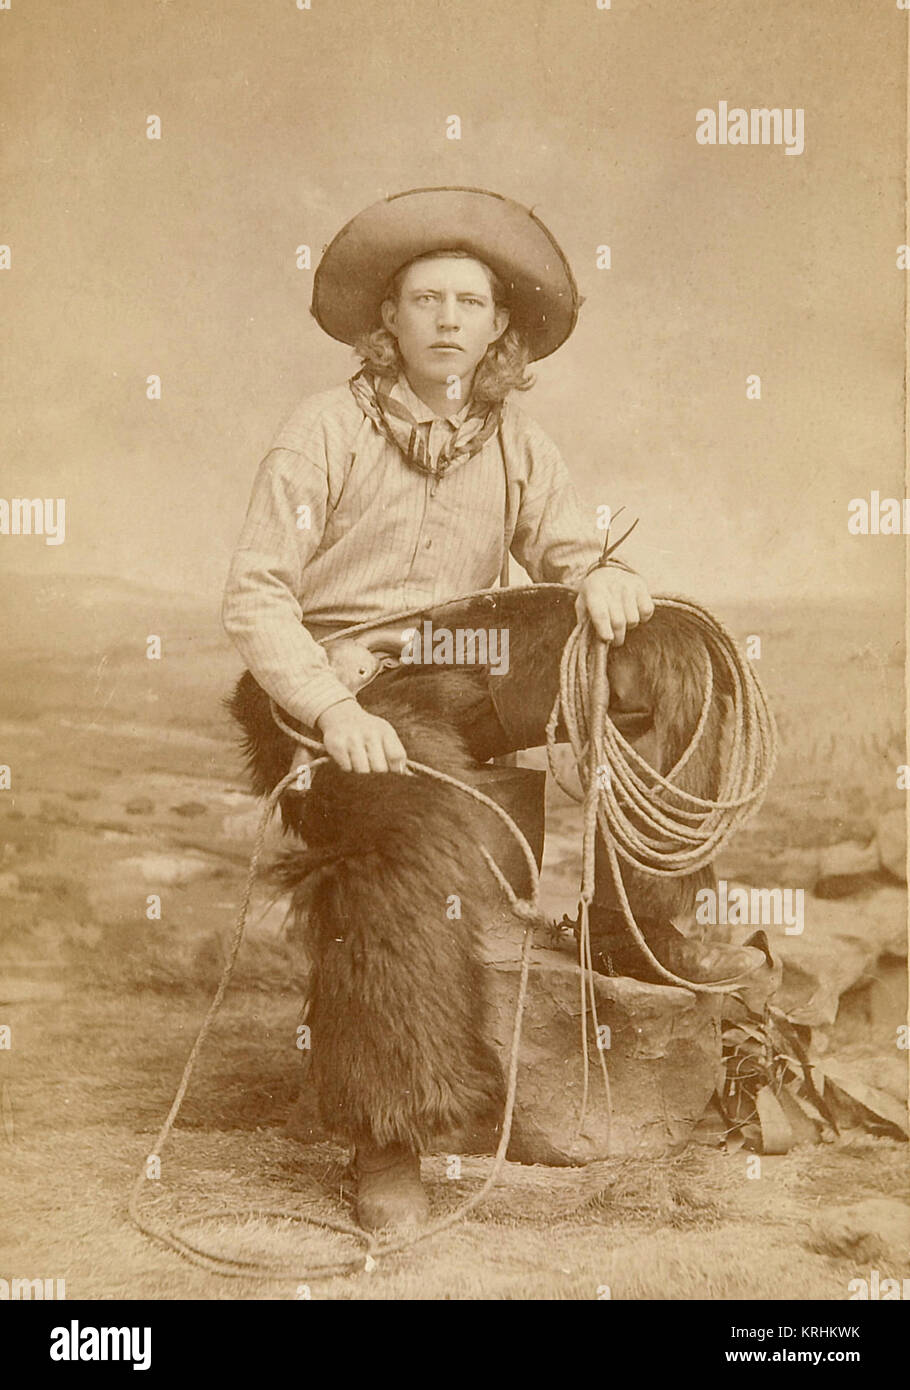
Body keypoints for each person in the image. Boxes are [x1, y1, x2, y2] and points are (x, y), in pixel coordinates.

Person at [223, 187, 761, 1229]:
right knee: (404, 808)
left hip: (459, 662)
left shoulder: (517, 441)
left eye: (469, 302)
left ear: (499, 324)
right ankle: (392, 1135)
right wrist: (333, 710)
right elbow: (255, 596)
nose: (447, 321)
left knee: (671, 652)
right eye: (425, 299)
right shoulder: (320, 431)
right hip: (328, 686)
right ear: (388, 319)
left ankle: (632, 924)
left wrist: (603, 577)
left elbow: (568, 549)